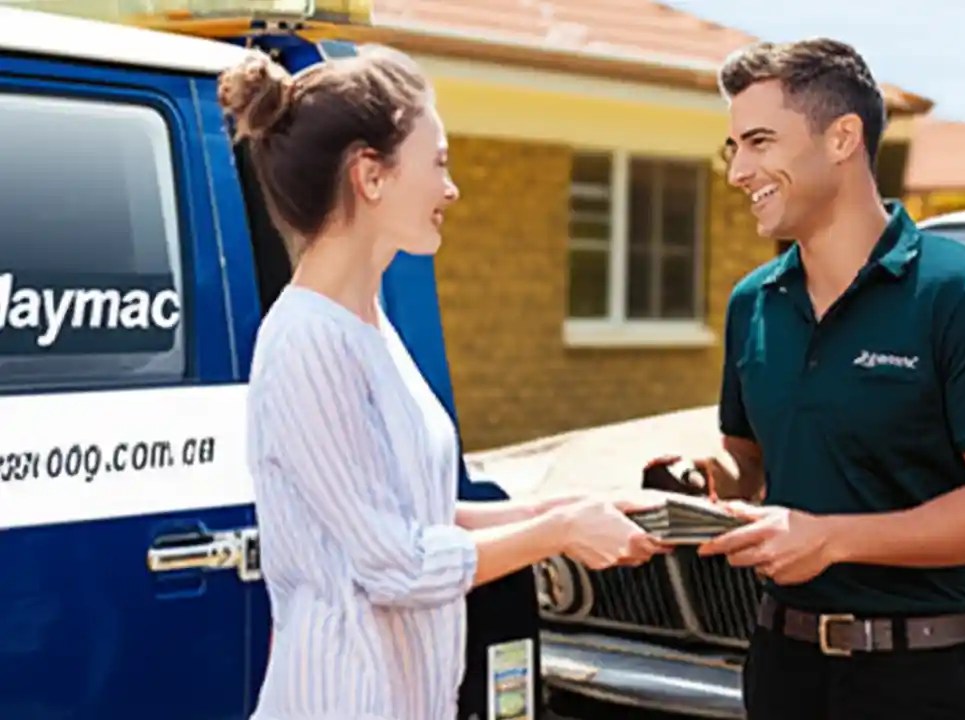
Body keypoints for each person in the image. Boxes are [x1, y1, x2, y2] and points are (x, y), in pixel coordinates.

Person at [220, 46, 668, 720]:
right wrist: (561, 531)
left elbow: (414, 513)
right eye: (438, 163)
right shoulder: (308, 341)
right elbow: (397, 564)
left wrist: (566, 507)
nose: (451, 189)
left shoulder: (366, 327)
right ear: (370, 175)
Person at [677, 38, 965, 719]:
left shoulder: (962, 295)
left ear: (843, 137)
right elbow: (751, 463)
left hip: (923, 681)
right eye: (734, 147)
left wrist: (834, 538)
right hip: (780, 670)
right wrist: (707, 477)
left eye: (760, 142)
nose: (738, 170)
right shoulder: (752, 302)